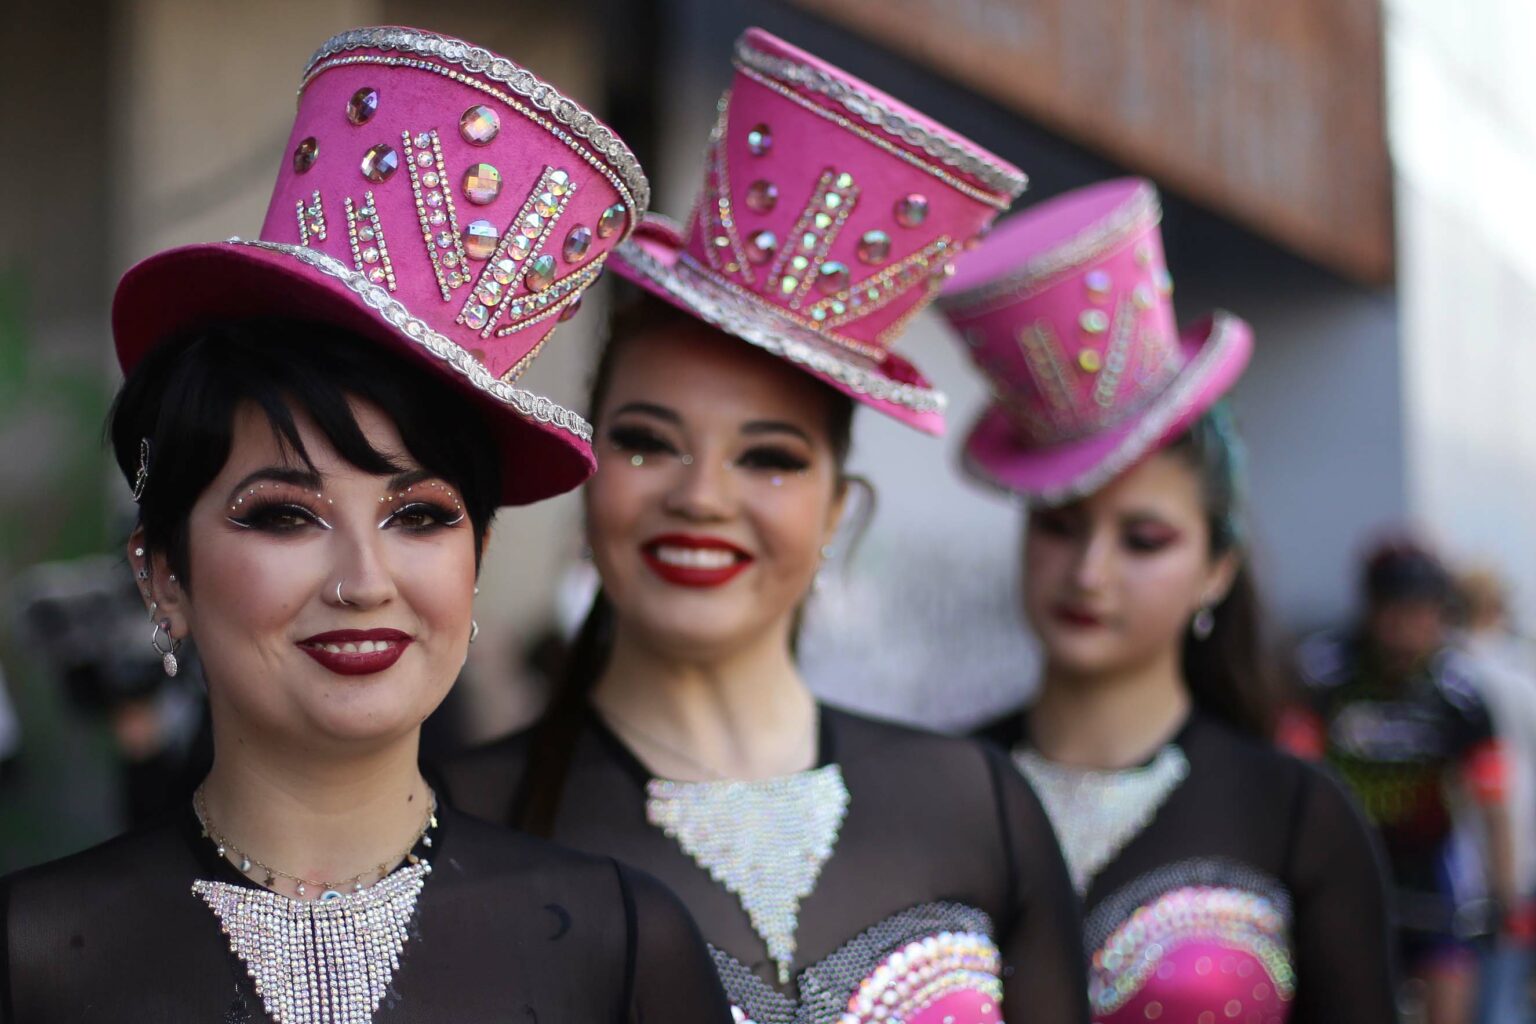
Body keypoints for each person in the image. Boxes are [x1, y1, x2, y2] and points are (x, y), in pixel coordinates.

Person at [0, 26, 730, 1024]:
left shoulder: (621, 946)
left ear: (475, 561)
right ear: (162, 574)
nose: (362, 578)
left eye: (419, 514)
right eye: (286, 515)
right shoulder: (35, 959)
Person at [443, 27, 1090, 1024]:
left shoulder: (980, 804)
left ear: (839, 508)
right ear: (588, 474)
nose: (702, 495)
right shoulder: (459, 825)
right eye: (651, 443)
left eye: (771, 457)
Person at [938, 178, 1399, 1023]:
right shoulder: (933, 792)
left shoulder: (1295, 814)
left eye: (1143, 540)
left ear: (1217, 568)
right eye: (1060, 527)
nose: (1090, 571)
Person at [1292, 541, 1515, 1024]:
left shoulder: (1459, 691)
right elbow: (1293, 778)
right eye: (1395, 609)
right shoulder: (1324, 672)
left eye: (1422, 611)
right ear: (1370, 609)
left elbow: (1493, 801)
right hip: (1345, 860)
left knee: (1451, 995)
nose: (1408, 626)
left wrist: (1505, 894)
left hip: (1430, 868)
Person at [1456, 569, 1536, 1024]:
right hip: (1513, 865)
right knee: (1503, 1005)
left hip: (1449, 872)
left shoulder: (1440, 672)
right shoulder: (1517, 675)